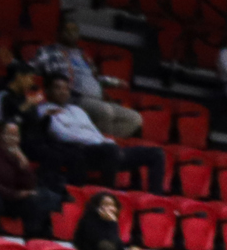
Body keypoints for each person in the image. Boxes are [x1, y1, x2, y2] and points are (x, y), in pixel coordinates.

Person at [35, 76, 165, 193]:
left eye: (66, 89)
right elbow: (60, 134)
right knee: (110, 150)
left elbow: (93, 131)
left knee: (156, 153)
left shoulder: (77, 110)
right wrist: (99, 142)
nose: (63, 92)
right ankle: (108, 192)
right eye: (58, 88)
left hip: (103, 149)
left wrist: (104, 141)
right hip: (81, 152)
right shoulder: (43, 110)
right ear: (47, 91)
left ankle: (156, 196)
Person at [33, 18, 139, 138]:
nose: (71, 33)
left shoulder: (83, 55)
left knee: (134, 118)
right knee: (105, 111)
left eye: (74, 30)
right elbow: (31, 70)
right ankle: (101, 144)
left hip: (97, 99)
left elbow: (94, 78)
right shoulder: (48, 51)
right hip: (73, 98)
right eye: (67, 30)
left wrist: (114, 82)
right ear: (58, 33)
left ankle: (102, 139)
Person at [0, 121, 61, 239]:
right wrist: (15, 194)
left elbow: (30, 186)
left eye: (15, 135)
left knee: (34, 198)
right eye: (8, 134)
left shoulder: (15, 157)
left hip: (6, 199)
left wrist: (24, 166)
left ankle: (34, 235)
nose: (12, 139)